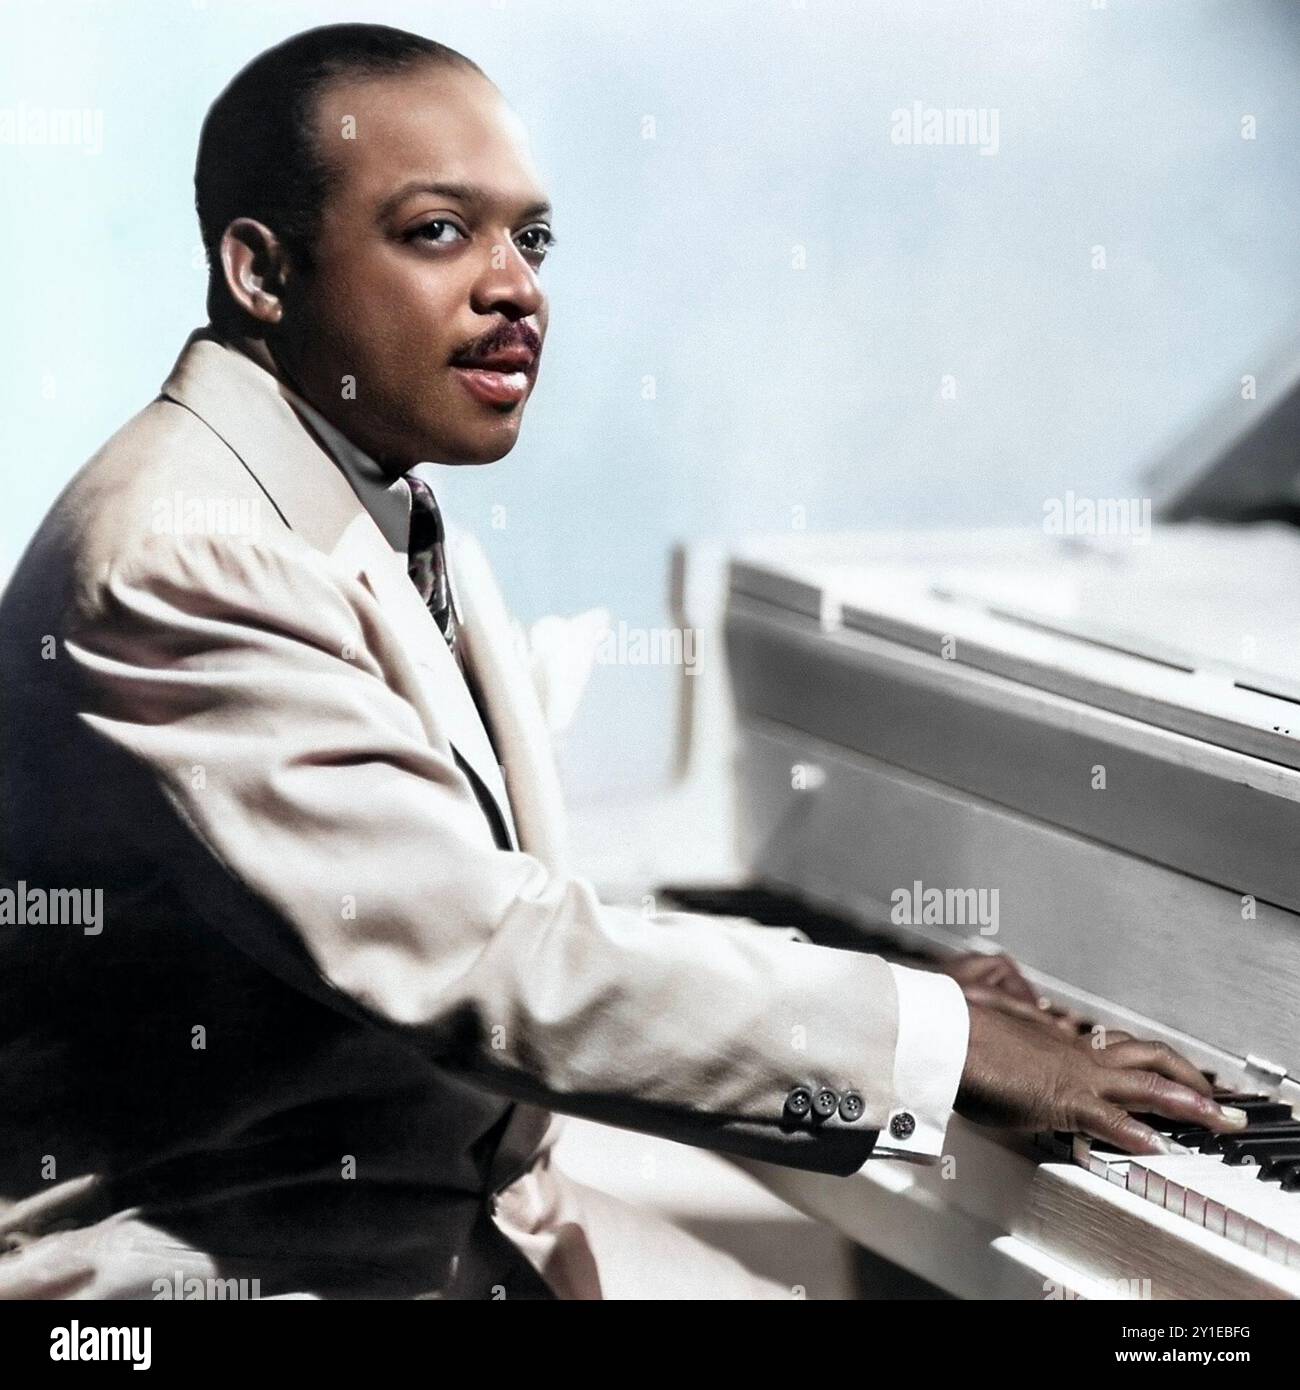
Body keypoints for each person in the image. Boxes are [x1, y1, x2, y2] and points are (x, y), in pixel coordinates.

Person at [0, 23, 1243, 1300]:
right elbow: (494, 961)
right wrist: (937, 1042)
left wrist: (878, 992)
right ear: (261, 271)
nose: (514, 289)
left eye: (529, 240)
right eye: (438, 231)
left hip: (427, 1220)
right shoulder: (184, 554)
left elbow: (481, 901)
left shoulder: (352, 489)